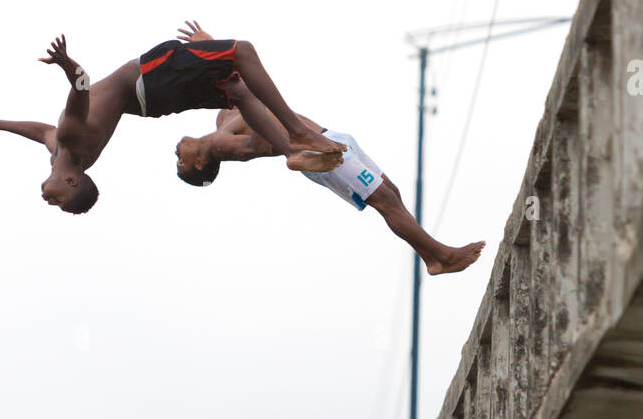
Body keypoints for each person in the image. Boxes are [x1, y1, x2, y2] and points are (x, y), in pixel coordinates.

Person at [175, 32, 484, 276]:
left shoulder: (220, 123)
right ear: (201, 163)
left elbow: (230, 83)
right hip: (317, 153)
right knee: (384, 200)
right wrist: (261, 113)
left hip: (327, 137)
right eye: (182, 161)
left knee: (392, 192)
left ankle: (429, 256)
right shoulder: (221, 146)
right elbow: (260, 144)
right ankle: (443, 257)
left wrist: (209, 44)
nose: (177, 152)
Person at [0, 27, 345, 213]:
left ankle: (289, 150)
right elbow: (83, 87)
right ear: (72, 180)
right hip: (151, 79)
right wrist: (66, 64)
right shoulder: (72, 140)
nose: (48, 199)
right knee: (242, 52)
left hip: (154, 101)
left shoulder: (61, 152)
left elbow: (39, 131)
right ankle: (295, 135)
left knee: (236, 87)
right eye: (58, 199)